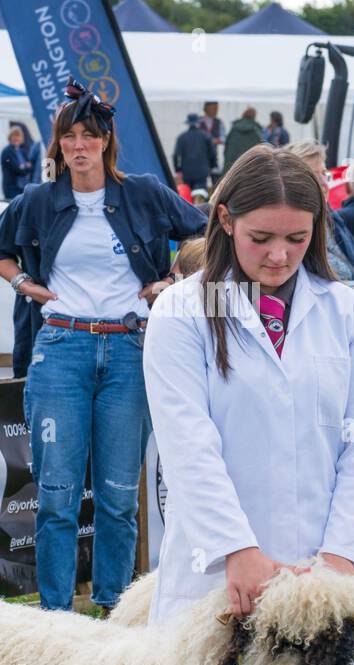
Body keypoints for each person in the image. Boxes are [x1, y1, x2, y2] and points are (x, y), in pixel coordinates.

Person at [144, 144, 354, 665]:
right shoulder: (184, 314)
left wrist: (340, 560)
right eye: (260, 238)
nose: (279, 255)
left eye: (297, 237)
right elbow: (188, 442)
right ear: (224, 219)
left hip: (323, 570)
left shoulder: (344, 313)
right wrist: (240, 553)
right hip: (220, 575)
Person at [0, 80, 206, 609]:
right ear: (58, 146)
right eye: (69, 137)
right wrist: (23, 284)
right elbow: (1, 251)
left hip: (129, 350)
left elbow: (205, 235)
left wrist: (169, 282)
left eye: (89, 135)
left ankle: (115, 608)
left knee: (117, 497)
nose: (79, 145)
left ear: (106, 141)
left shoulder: (143, 192)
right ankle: (55, 614)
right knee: (57, 496)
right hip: (61, 347)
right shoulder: (37, 200)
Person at [284, 140, 354, 282]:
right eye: (313, 175)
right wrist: (255, 305)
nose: (323, 182)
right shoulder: (282, 224)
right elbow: (249, 280)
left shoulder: (333, 219)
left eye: (324, 173)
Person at [173, 112, 216, 195]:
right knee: (200, 195)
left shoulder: (181, 137)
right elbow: (212, 153)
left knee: (187, 195)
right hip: (202, 170)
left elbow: (176, 155)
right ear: (198, 123)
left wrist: (178, 169)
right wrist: (212, 166)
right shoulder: (206, 136)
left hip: (187, 171)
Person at [222, 107, 265, 174]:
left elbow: (226, 150)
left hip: (232, 169)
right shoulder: (256, 132)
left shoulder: (234, 130)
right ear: (254, 117)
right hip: (250, 170)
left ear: (243, 115)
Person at [1, 126, 33, 199]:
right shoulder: (7, 151)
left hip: (23, 187)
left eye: (18, 136)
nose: (16, 138)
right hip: (11, 189)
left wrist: (23, 166)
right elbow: (17, 168)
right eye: (14, 135)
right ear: (10, 137)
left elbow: (31, 167)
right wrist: (25, 166)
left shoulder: (22, 151)